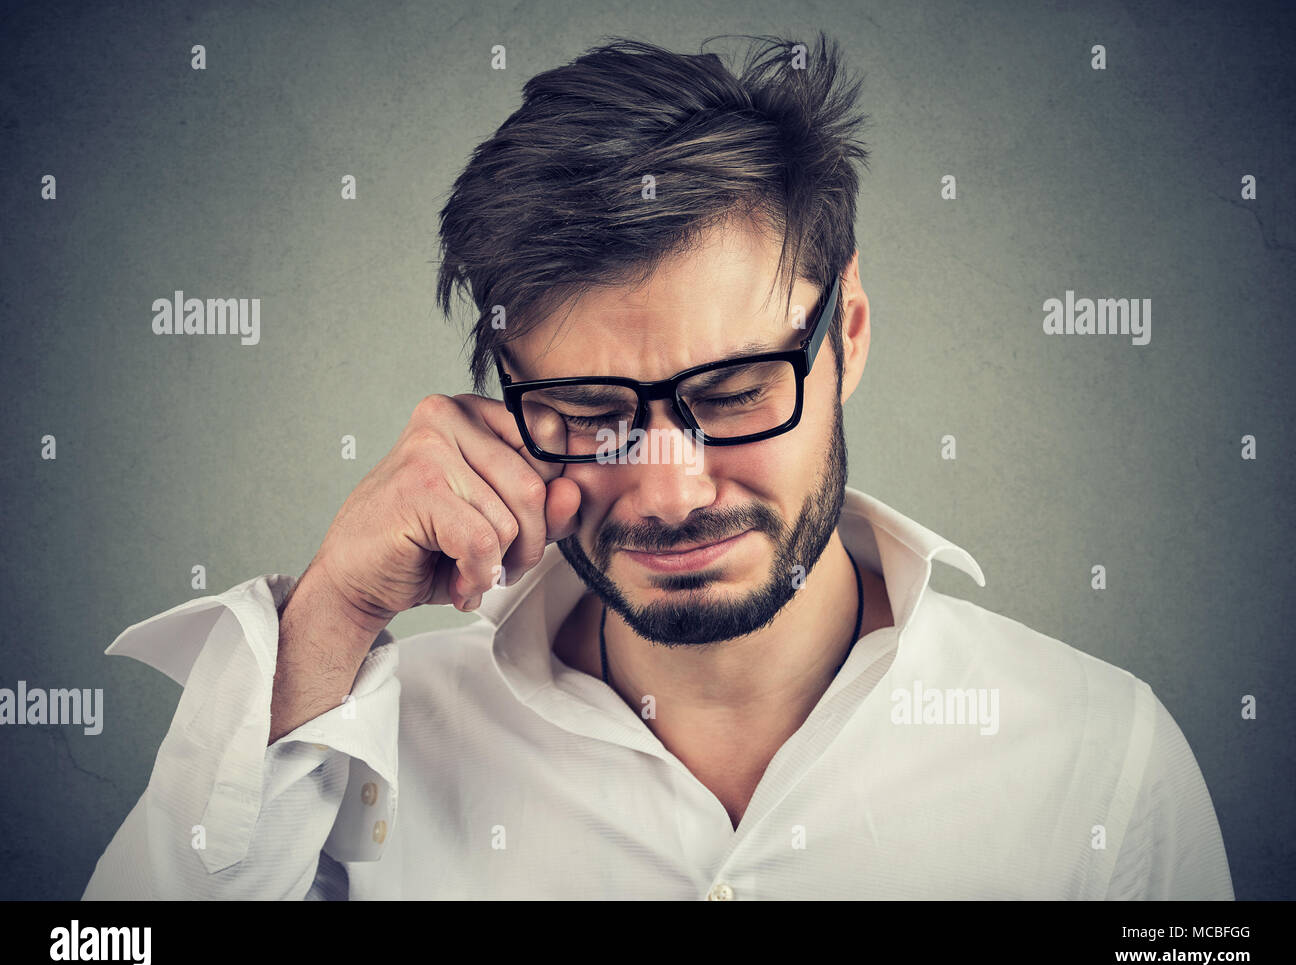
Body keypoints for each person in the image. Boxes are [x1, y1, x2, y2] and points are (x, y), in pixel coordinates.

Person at [84, 33, 1232, 900]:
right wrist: (326, 618)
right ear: (502, 401)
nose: (672, 490)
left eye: (733, 394)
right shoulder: (359, 762)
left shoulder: (1102, 760)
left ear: (851, 335)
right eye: (588, 412)